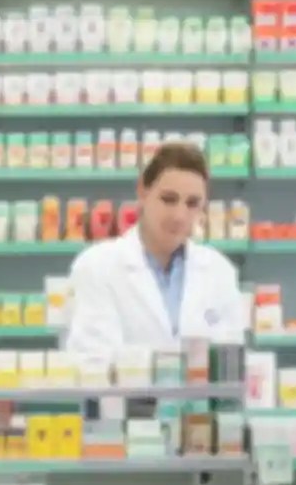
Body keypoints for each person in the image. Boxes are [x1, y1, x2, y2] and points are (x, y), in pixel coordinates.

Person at [65, 142, 246, 356]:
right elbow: (93, 361)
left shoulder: (219, 271)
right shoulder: (96, 267)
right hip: (124, 390)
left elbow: (230, 364)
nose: (179, 216)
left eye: (192, 203)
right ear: (143, 192)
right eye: (169, 199)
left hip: (202, 392)